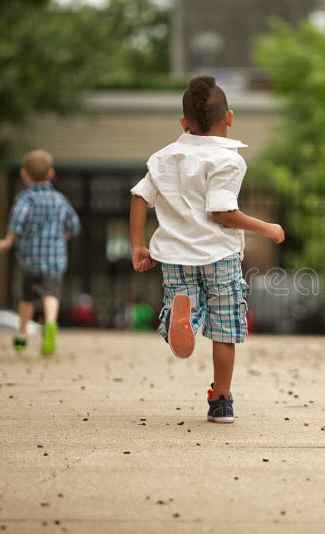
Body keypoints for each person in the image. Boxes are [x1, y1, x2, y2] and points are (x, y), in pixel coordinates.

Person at [129, 75, 284, 424]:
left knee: (187, 304)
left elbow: (140, 197)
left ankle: (176, 317)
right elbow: (223, 213)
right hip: (220, 255)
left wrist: (138, 244)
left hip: (174, 255)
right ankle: (222, 401)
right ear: (228, 117)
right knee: (224, 329)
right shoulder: (228, 160)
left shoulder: (163, 158)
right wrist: (267, 227)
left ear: (183, 123)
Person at [0, 149, 81, 356]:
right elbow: (74, 224)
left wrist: (8, 240)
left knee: (27, 297)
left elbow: (18, 220)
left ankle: (22, 334)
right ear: (51, 174)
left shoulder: (25, 199)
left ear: (24, 174)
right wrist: (67, 234)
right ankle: (50, 324)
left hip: (30, 259)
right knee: (51, 294)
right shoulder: (60, 200)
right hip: (54, 259)